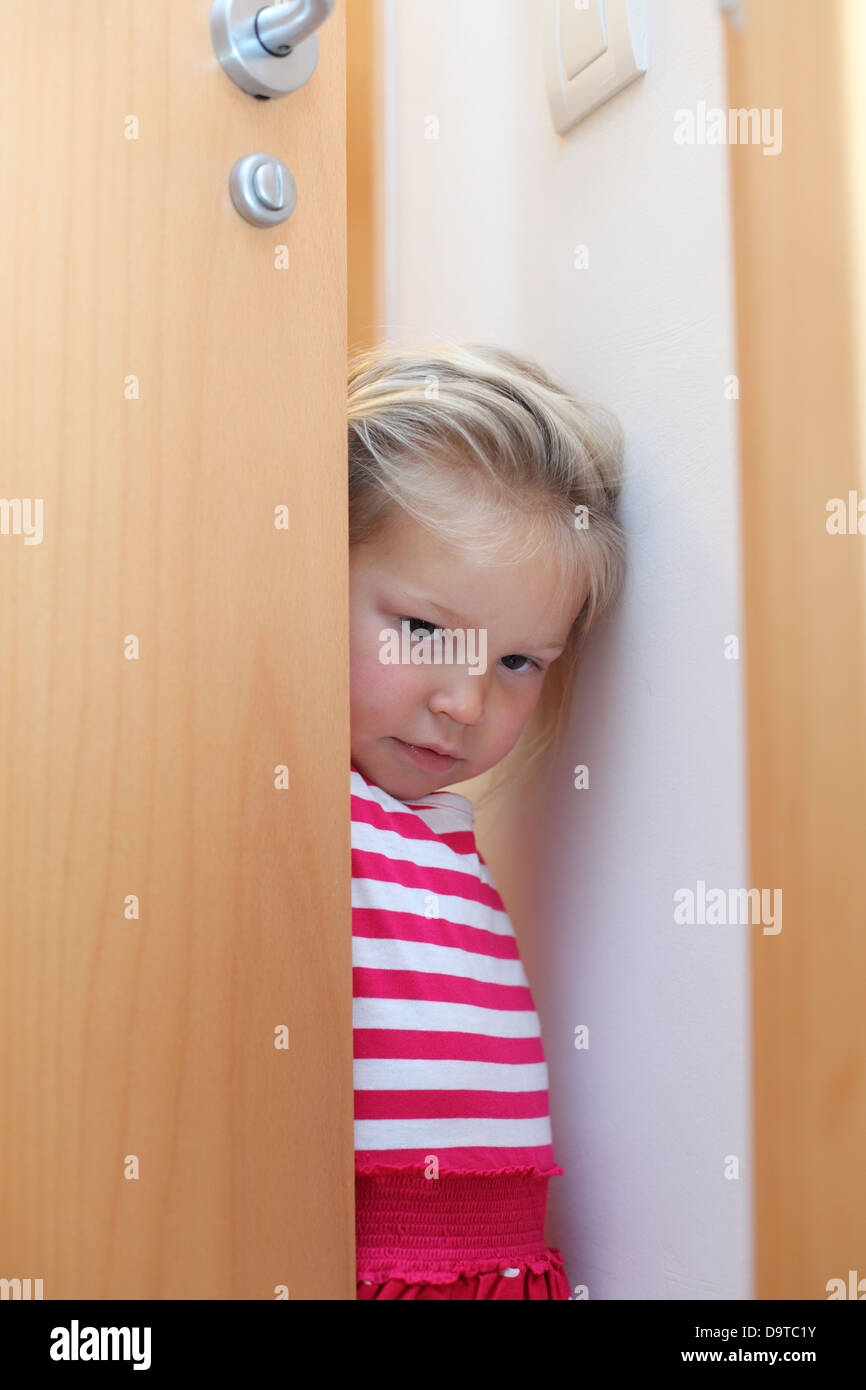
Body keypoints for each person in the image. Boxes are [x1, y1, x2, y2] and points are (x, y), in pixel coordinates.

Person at [348, 339, 627, 1299]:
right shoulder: (296, 809)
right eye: (425, 630)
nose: (466, 702)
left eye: (519, 663)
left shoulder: (435, 832)